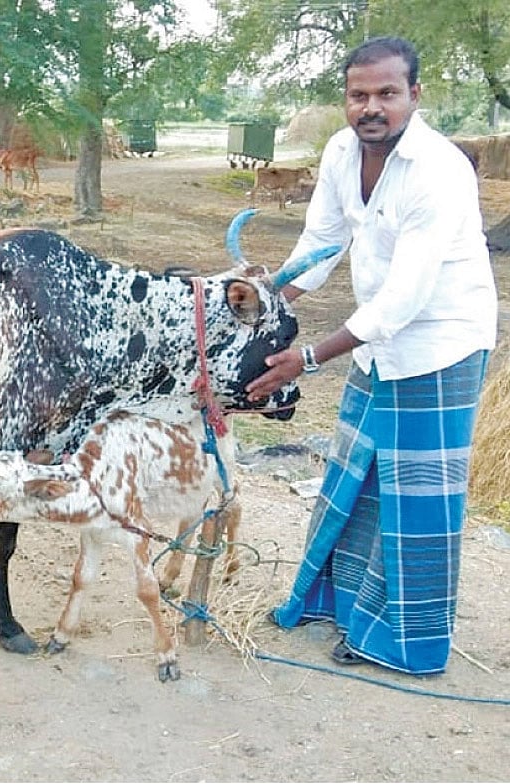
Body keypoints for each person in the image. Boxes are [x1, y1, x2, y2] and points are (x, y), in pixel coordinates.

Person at [244, 35, 497, 675]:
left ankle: (399, 642)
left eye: (387, 93)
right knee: (356, 473)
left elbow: (403, 299)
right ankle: (337, 604)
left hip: (440, 340)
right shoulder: (338, 151)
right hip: (376, 342)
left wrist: (309, 356)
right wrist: (261, 293)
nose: (372, 107)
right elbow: (324, 243)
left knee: (417, 495)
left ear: (415, 94)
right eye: (359, 95)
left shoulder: (439, 169)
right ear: (346, 100)